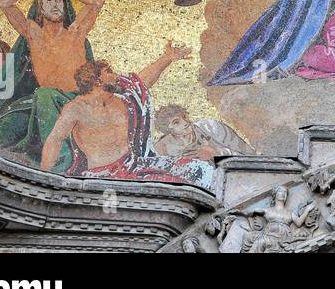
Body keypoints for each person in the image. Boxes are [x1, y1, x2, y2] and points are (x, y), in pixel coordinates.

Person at [0, 0, 102, 171]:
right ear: (40, 8)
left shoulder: (76, 32)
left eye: (59, 0)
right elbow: (4, 0)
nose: (54, 4)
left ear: (66, 6)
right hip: (39, 103)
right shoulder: (33, 33)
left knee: (45, 94)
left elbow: (97, 0)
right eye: (48, 0)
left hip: (75, 99)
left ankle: (61, 164)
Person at [41, 42, 212, 186]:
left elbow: (142, 81)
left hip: (135, 166)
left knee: (200, 169)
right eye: (109, 71)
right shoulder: (76, 108)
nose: (116, 76)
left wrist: (167, 58)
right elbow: (55, 139)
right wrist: (46, 179)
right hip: (101, 176)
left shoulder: (124, 98)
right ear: (98, 80)